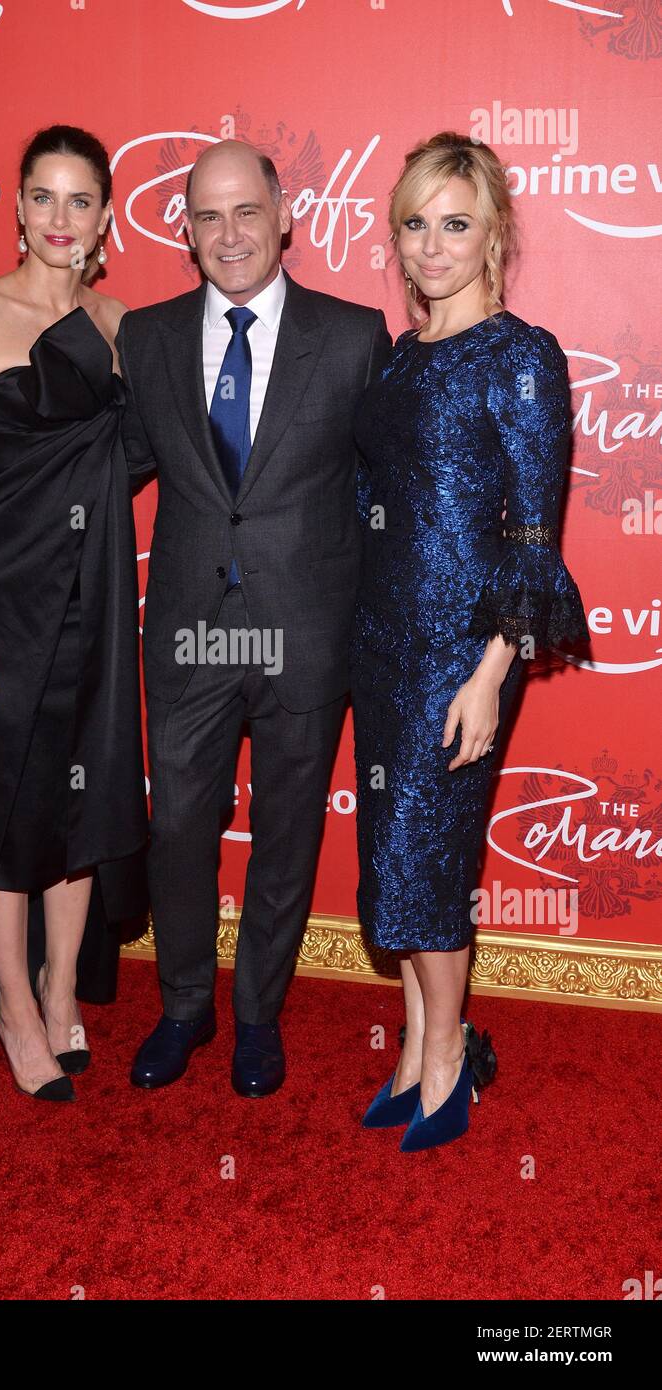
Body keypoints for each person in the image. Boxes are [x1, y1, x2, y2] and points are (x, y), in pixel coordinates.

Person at [116, 139, 391, 1097]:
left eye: (246, 212)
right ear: (184, 231)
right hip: (192, 630)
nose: (229, 235)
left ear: (285, 216)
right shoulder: (145, 340)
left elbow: (389, 489)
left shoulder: (355, 337)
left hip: (306, 633)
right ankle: (185, 1005)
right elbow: (116, 467)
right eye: (206, 216)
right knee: (180, 826)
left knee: (287, 834)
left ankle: (259, 1017)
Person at [350, 131, 589, 1150]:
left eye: (454, 223)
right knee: (388, 865)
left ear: (492, 233)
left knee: (425, 861)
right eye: (414, 223)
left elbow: (534, 541)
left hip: (462, 650)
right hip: (380, 639)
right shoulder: (400, 360)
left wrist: (491, 672)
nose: (431, 244)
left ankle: (448, 1056)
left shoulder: (520, 356)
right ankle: (413, 1043)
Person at [0, 125, 147, 1101]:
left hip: (92, 597)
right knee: (3, 808)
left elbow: (159, 447)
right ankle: (11, 1001)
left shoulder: (121, 325)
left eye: (80, 200)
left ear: (104, 216)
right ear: (16, 206)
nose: (60, 219)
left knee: (80, 797)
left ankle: (62, 985)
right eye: (42, 197)